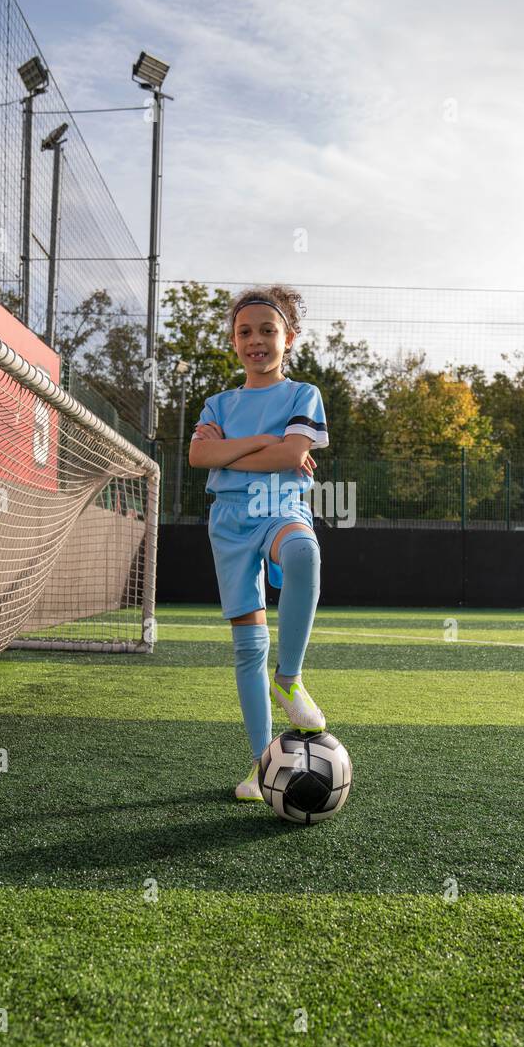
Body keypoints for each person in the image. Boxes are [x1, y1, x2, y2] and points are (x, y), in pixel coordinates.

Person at [189, 285, 329, 801]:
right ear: (233, 341)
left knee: (303, 552)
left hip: (278, 508)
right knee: (248, 648)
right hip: (228, 524)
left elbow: (290, 454)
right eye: (245, 331)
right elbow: (197, 458)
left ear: (287, 338)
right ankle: (261, 765)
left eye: (267, 330)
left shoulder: (302, 395)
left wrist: (233, 452)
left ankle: (289, 679)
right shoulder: (218, 402)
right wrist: (265, 444)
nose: (256, 340)